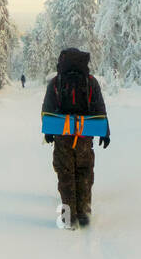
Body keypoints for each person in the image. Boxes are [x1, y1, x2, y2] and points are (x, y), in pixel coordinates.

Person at [42, 47, 110, 228]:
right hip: (84, 136)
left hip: (62, 136)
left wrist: (48, 132)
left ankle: (67, 218)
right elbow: (99, 108)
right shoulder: (90, 82)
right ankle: (84, 212)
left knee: (65, 175)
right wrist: (105, 132)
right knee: (85, 171)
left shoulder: (56, 82)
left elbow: (47, 108)